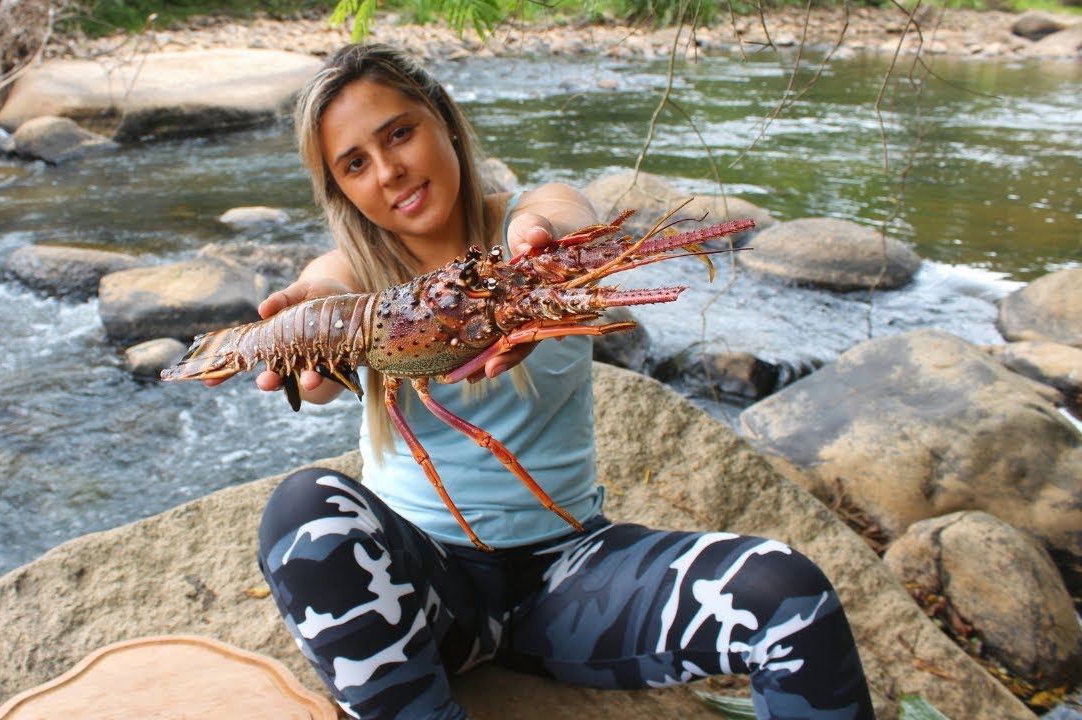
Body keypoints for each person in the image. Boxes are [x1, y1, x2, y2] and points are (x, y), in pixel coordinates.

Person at [211, 43, 875, 720]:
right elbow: (322, 323)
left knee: (788, 593)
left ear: (442, 117)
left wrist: (539, 240)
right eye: (355, 164)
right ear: (341, 189)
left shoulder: (530, 221)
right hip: (422, 587)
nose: (389, 171)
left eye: (400, 133)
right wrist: (304, 338)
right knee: (301, 509)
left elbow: (562, 214)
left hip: (569, 576)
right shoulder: (351, 272)